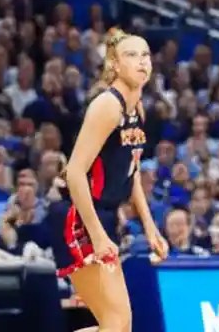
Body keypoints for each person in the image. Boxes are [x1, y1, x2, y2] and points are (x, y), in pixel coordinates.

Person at [51, 28, 166, 332]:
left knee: (119, 326)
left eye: (145, 55)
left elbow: (132, 171)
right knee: (115, 323)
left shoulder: (137, 108)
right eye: (132, 55)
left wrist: (150, 227)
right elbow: (75, 172)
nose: (141, 61)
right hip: (79, 216)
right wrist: (98, 235)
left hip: (104, 214)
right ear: (115, 64)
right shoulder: (107, 105)